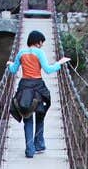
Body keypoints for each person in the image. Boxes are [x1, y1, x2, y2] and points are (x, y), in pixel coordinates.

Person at [6, 30, 69, 158]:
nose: (42, 44)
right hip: (38, 88)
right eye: (41, 42)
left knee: (27, 118)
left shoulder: (21, 53)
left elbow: (13, 70)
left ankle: (30, 150)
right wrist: (59, 63)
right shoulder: (39, 53)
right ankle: (39, 144)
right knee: (40, 115)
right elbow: (48, 69)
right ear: (38, 42)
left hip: (24, 88)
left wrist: (9, 64)